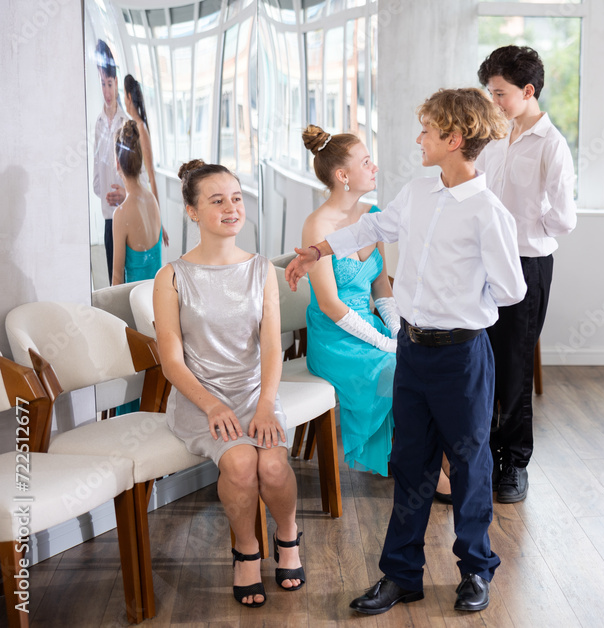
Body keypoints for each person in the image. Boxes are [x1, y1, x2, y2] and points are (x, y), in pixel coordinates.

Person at [284, 88, 525, 615]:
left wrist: (458, 304)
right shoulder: (417, 191)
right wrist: (318, 249)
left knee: (470, 465)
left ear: (453, 139)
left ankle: (475, 570)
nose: (419, 138)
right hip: (412, 351)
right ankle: (400, 575)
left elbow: (511, 291)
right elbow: (374, 227)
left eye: (427, 130)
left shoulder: (488, 212)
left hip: (462, 357)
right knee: (411, 464)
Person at [153, 159, 305, 608]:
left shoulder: (261, 269)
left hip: (256, 393)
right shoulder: (171, 276)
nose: (231, 208)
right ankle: (246, 550)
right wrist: (212, 405)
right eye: (217, 201)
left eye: (236, 198)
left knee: (272, 467)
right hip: (200, 398)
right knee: (239, 464)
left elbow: (272, 346)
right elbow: (171, 361)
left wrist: (266, 404)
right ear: (192, 211)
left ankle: (288, 535)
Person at [476, 45, 577, 503]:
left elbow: (564, 218)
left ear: (528, 91)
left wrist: (526, 230)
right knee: (481, 363)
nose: (494, 101)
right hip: (482, 263)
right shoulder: (494, 136)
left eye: (500, 93)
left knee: (514, 369)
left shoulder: (551, 144)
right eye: (490, 92)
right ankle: (480, 456)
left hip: (526, 264)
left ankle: (513, 463)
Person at [299, 125, 395, 477]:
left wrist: (396, 331)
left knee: (424, 362)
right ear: (343, 176)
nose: (374, 167)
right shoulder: (316, 226)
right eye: (366, 162)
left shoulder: (373, 214)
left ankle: (425, 460)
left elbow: (381, 287)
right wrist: (384, 343)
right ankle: (419, 464)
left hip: (371, 326)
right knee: (398, 368)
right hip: (334, 338)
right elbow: (328, 304)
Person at [93, 40, 128, 283]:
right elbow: (96, 176)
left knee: (127, 280)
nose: (106, 91)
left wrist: (125, 194)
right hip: (109, 217)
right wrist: (106, 194)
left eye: (109, 84)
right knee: (113, 282)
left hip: (128, 213)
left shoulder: (127, 123)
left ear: (116, 83)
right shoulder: (97, 124)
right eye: (102, 84)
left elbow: (140, 174)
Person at [111, 120, 162, 286]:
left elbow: (117, 280)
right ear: (140, 161)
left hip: (136, 301)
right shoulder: (152, 200)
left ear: (117, 164)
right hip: (157, 296)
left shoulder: (120, 215)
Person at [123, 74, 169, 247]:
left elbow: (151, 177)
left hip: (143, 203)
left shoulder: (141, 129)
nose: (123, 99)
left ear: (129, 97)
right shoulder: (130, 127)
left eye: (124, 94)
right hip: (133, 200)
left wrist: (159, 220)